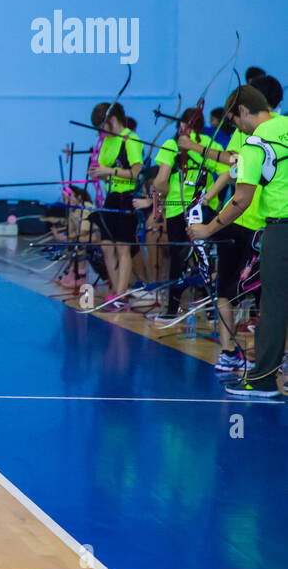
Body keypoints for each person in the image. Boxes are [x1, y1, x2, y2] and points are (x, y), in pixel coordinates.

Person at [189, 86, 288, 398]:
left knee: (273, 306)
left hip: (281, 230)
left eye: (234, 121)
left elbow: (241, 199)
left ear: (243, 111)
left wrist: (207, 229)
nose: (238, 129)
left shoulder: (255, 142)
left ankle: (261, 382)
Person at [151, 108, 226, 321]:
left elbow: (160, 182)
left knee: (178, 259)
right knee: (203, 257)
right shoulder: (211, 147)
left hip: (178, 210)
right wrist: (209, 195)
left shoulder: (171, 144)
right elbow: (227, 172)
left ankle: (171, 310)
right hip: (203, 209)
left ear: (184, 125)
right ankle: (211, 310)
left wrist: (159, 196)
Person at [87, 101, 143, 309]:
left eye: (102, 126)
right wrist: (98, 173)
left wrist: (108, 172)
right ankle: (115, 290)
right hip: (110, 198)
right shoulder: (106, 141)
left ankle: (121, 295)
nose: (101, 132)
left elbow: (136, 173)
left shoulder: (131, 139)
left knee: (122, 248)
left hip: (126, 198)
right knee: (107, 247)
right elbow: (103, 170)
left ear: (112, 120)